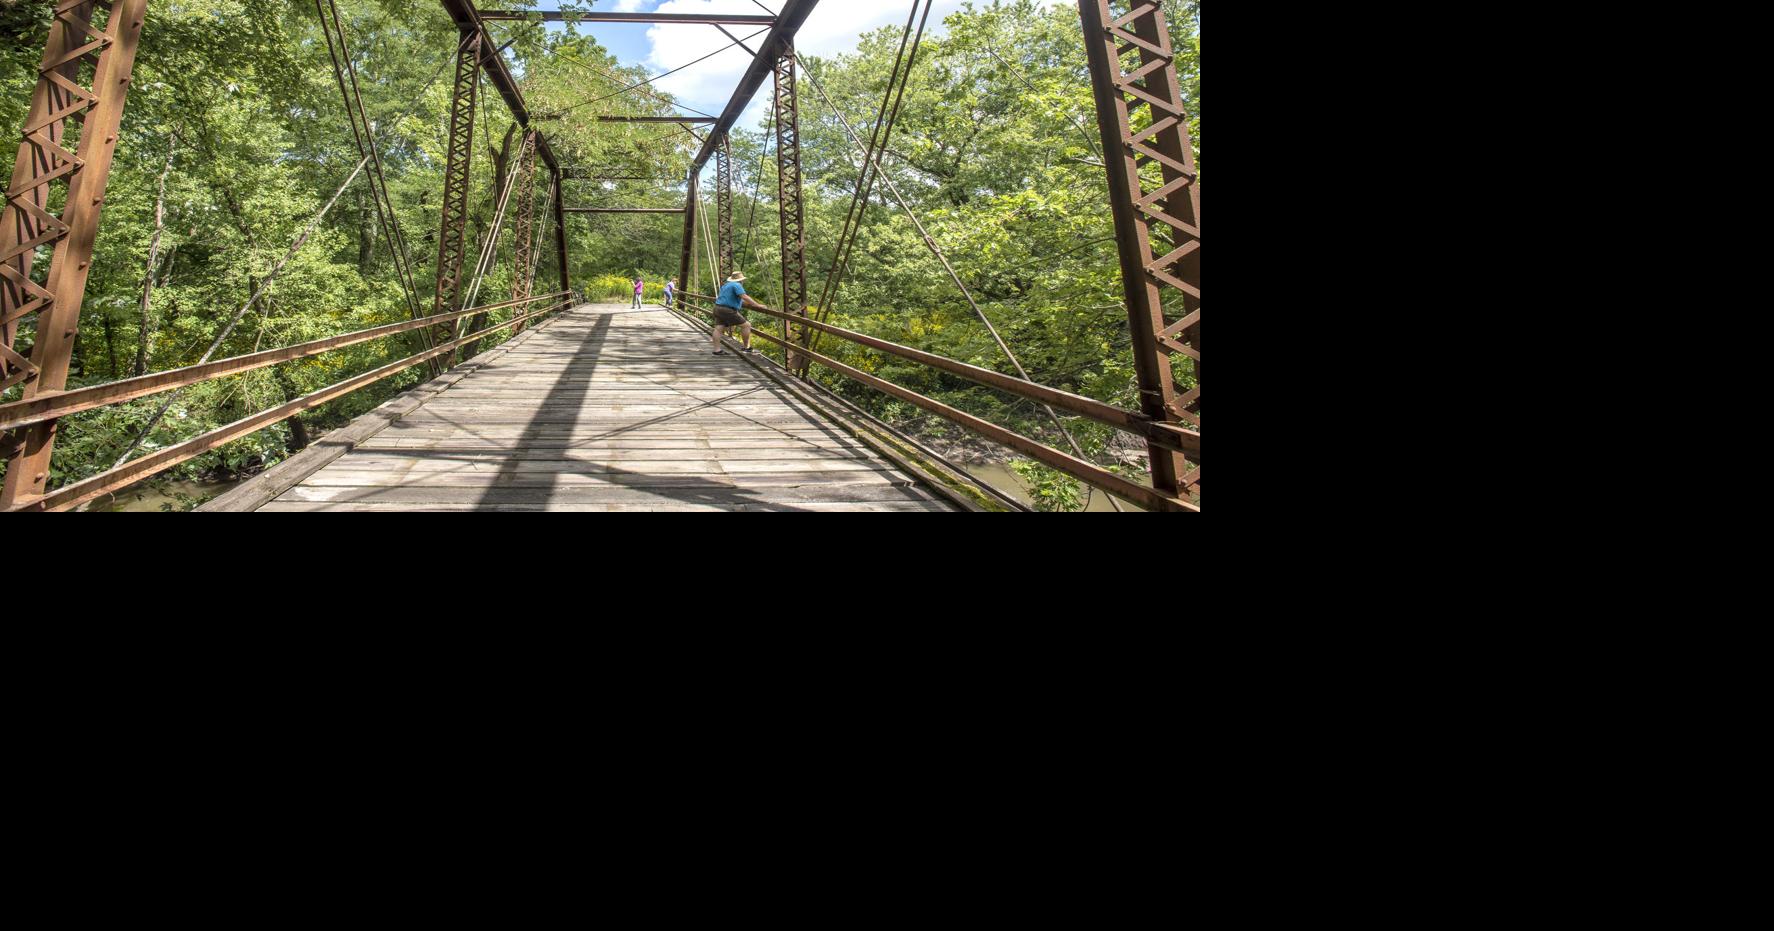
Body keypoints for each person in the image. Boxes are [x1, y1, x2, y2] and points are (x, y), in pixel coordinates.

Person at [712, 271, 765, 356]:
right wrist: (757, 305)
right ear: (741, 280)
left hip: (718, 308)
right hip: (727, 310)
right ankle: (746, 348)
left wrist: (745, 302)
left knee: (718, 328)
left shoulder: (726, 285)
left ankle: (716, 350)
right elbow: (744, 296)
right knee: (746, 325)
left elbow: (732, 298)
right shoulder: (737, 285)